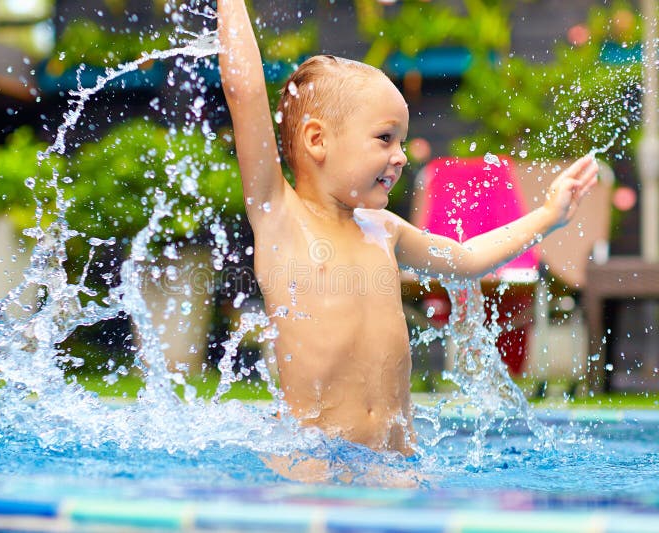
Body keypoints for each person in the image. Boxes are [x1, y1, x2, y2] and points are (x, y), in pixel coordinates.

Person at [217, 0, 598, 456]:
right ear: (317, 140)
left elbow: (466, 260)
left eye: (401, 140)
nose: (400, 155)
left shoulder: (384, 229)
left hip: (397, 461)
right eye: (384, 138)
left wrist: (548, 215)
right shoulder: (280, 218)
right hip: (313, 463)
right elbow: (244, 91)